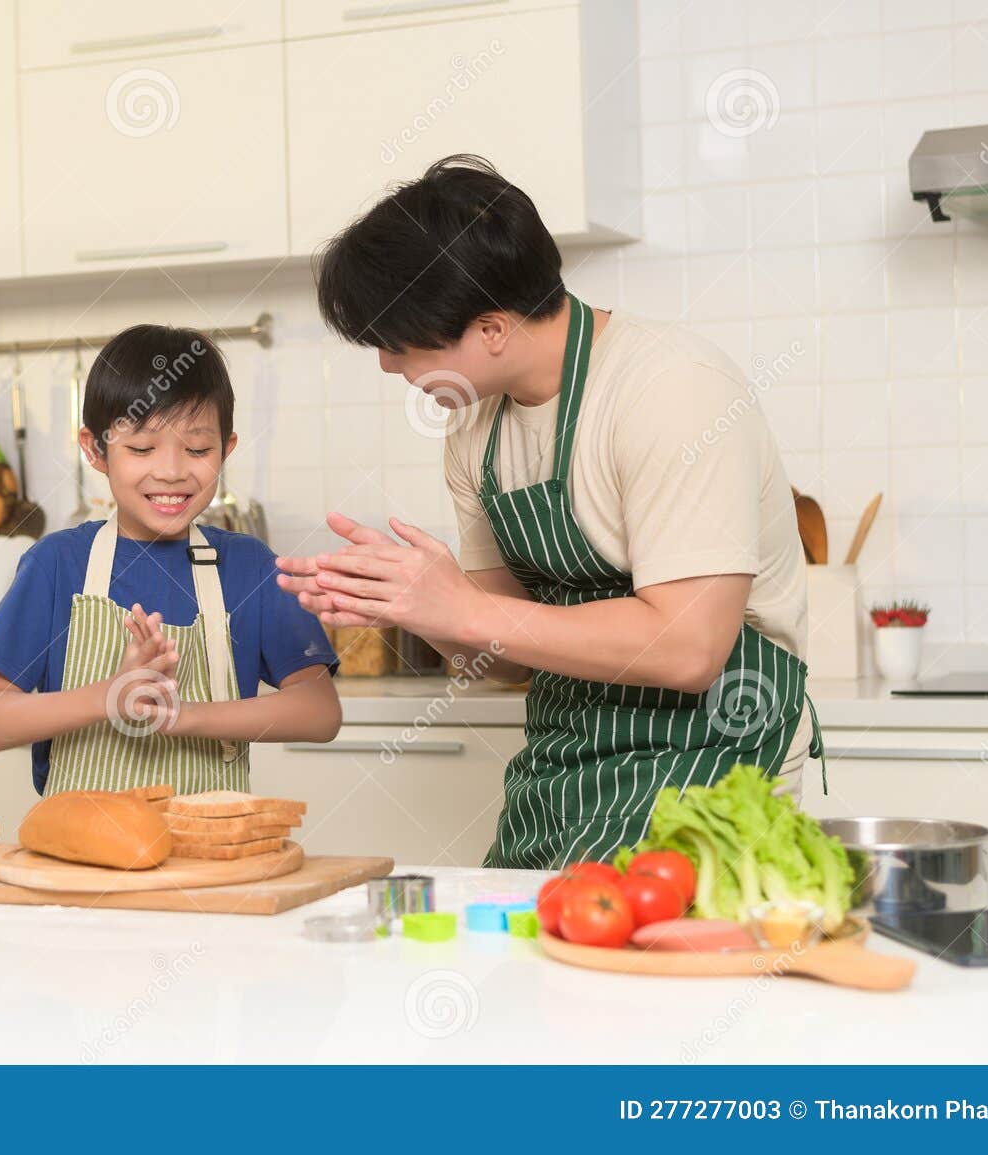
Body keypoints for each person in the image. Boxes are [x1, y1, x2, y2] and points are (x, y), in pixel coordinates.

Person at [278, 155, 817, 870]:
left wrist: (460, 608)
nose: (386, 364)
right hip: (563, 770)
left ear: (492, 329)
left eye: (400, 340)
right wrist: (412, 606)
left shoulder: (671, 389)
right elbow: (503, 659)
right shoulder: (475, 427)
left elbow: (690, 649)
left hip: (716, 759)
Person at [0, 324, 340, 796]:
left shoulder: (249, 566)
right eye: (141, 448)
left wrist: (185, 716)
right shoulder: (56, 565)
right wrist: (109, 696)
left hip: (211, 855)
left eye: (199, 449)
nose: (172, 471)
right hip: (81, 859)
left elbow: (319, 712)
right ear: (96, 450)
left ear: (227, 448)